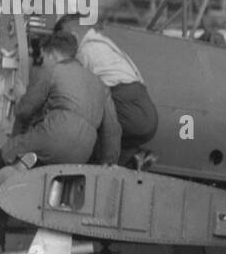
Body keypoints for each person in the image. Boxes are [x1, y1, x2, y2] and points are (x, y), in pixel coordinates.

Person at [0, 31, 120, 254]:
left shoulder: (53, 71)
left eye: (43, 56)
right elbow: (112, 129)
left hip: (51, 137)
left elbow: (26, 109)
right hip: (82, 152)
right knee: (39, 165)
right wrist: (109, 161)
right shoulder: (100, 85)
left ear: (51, 53)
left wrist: (19, 96)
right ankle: (24, 168)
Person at [54, 15, 158, 169]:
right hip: (147, 115)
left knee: (86, 133)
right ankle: (134, 156)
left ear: (73, 33)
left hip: (128, 109)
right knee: (113, 142)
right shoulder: (105, 45)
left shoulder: (87, 52)